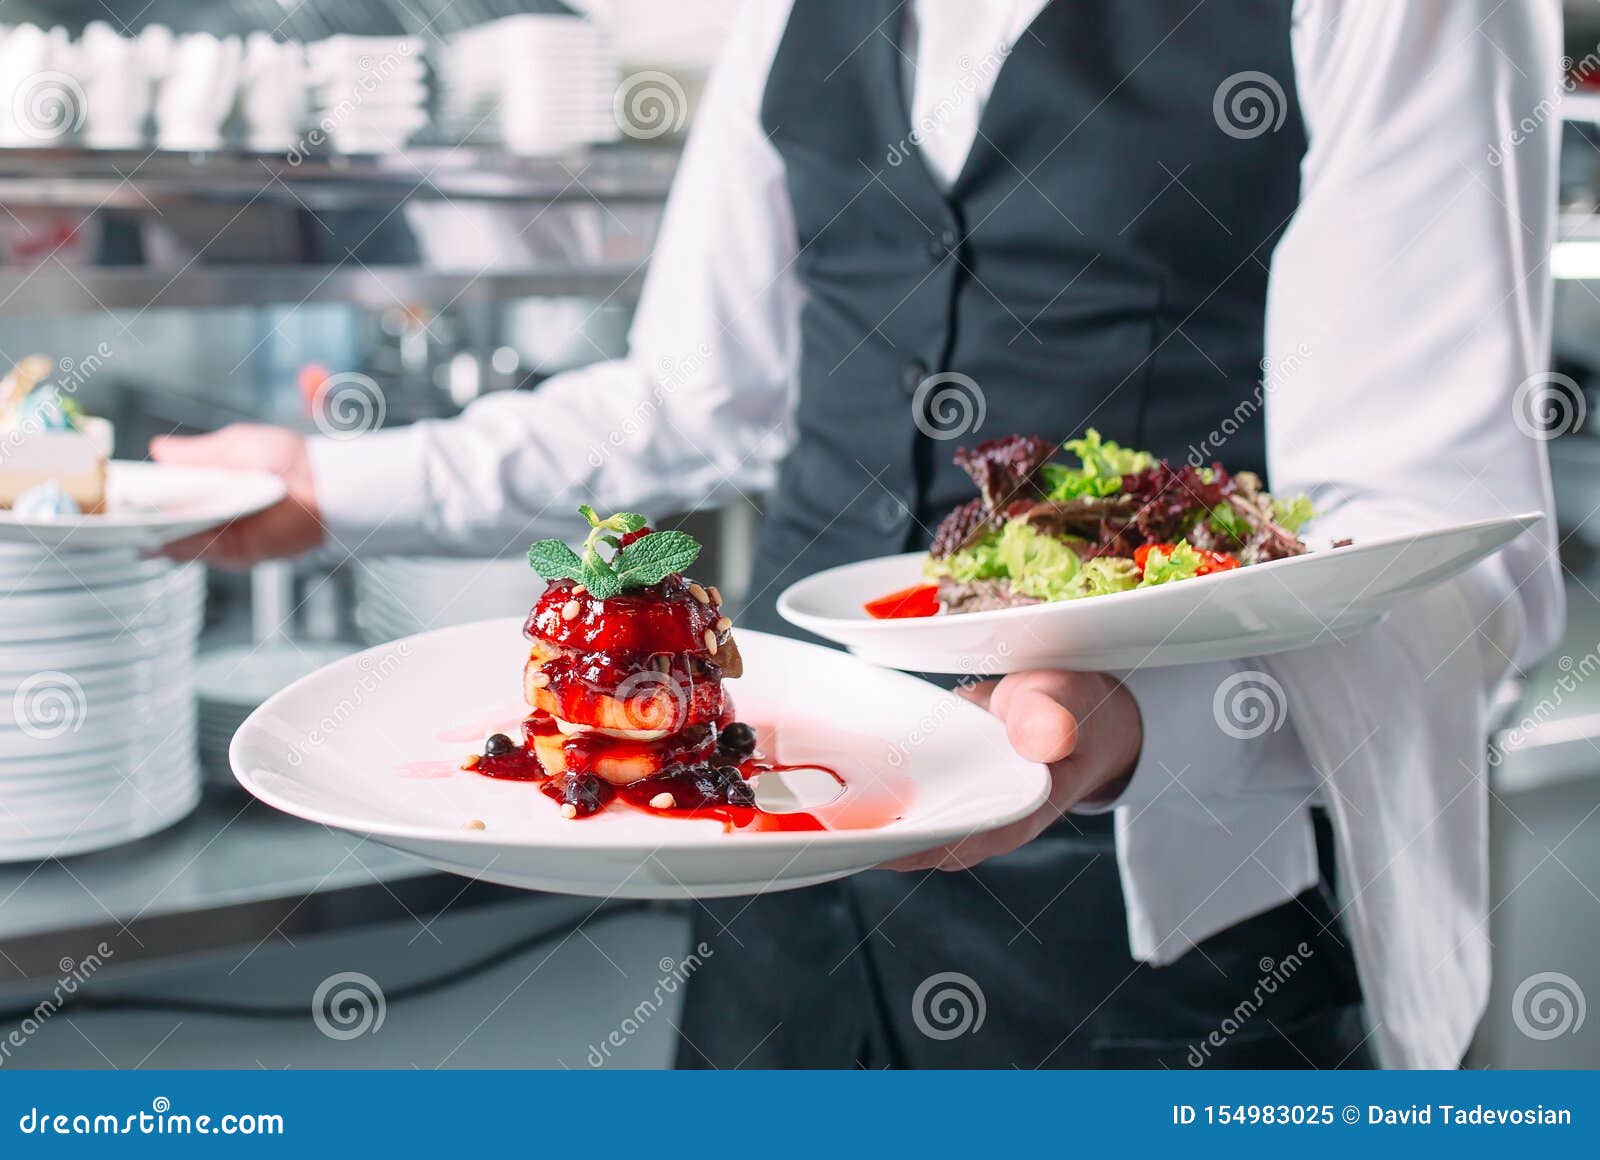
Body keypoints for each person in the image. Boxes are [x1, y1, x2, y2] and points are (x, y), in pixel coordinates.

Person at [155, 0, 1564, 1068]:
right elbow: (696, 393)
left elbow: (1457, 551)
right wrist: (330, 489)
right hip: (773, 867)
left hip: (1154, 930)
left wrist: (1146, 718)